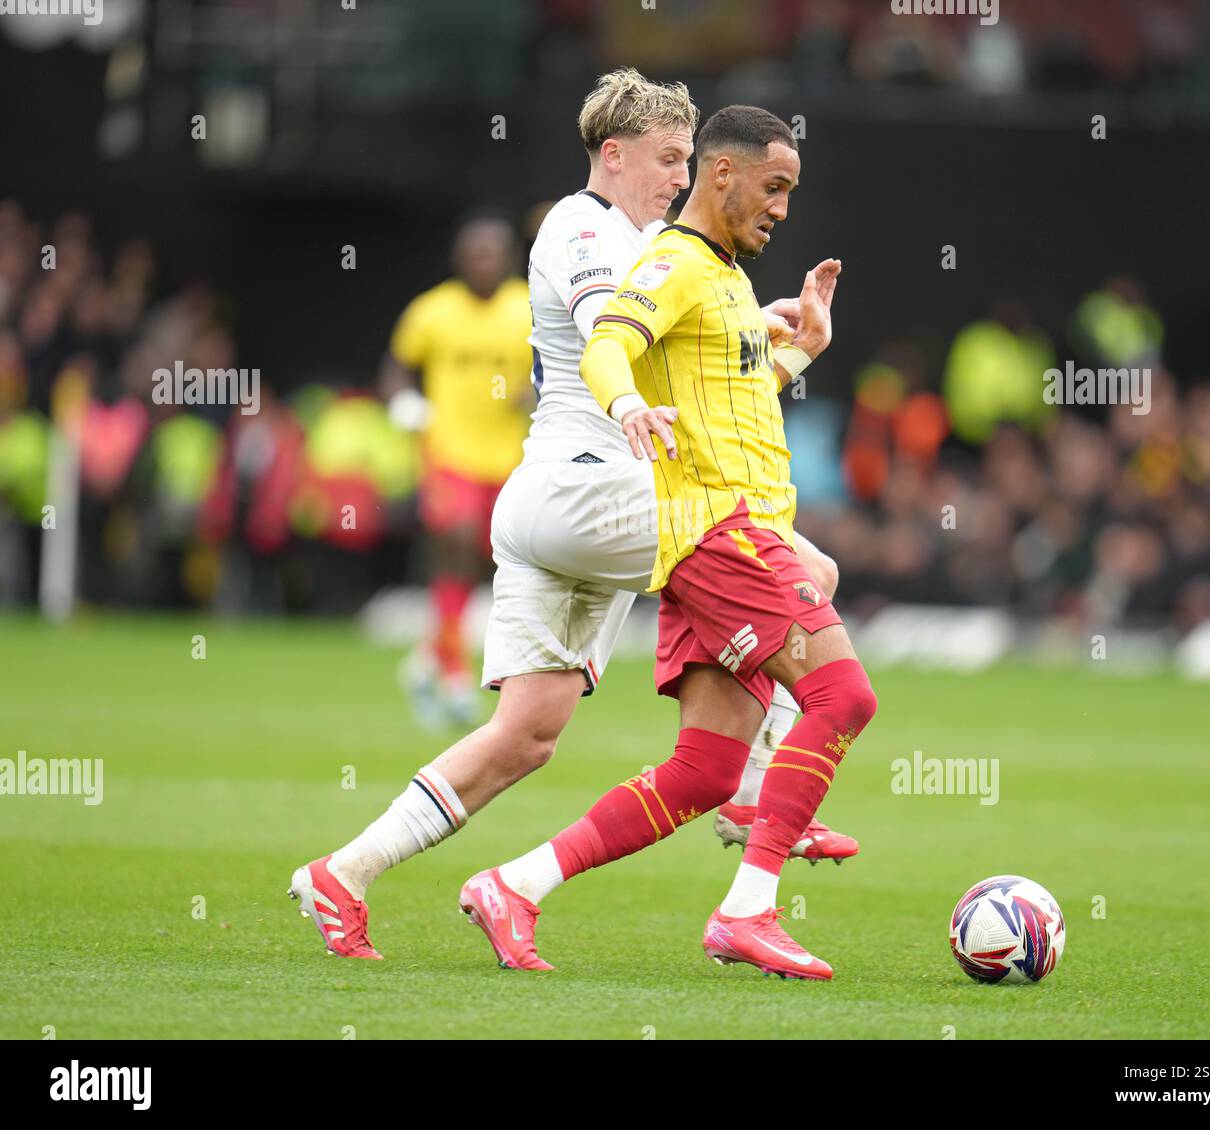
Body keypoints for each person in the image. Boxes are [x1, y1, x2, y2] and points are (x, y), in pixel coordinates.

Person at [290, 72, 853, 962]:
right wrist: (670, 369)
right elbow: (613, 331)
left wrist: (760, 344)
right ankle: (755, 798)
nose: (682, 175)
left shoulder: (672, 248)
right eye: (670, 158)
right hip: (590, 486)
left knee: (526, 736)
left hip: (577, 505)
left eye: (689, 159)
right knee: (802, 567)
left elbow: (711, 387)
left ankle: (344, 873)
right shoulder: (583, 227)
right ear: (614, 154)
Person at [463, 105, 876, 981]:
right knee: (842, 696)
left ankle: (514, 885)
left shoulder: (723, 278)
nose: (783, 209)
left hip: (721, 535)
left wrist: (803, 351)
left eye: (792, 193)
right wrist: (623, 405)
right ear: (720, 175)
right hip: (723, 535)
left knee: (705, 771)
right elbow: (608, 343)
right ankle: (748, 908)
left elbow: (740, 399)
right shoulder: (675, 263)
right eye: (774, 187)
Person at [382, 216, 534, 726]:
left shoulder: (526, 308)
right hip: (449, 452)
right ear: (460, 259)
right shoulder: (434, 311)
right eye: (476, 253)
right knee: (458, 539)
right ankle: (455, 671)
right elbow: (397, 365)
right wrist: (404, 400)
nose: (484, 262)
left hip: (508, 456)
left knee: (493, 560)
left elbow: (553, 364)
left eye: (493, 253)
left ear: (506, 257)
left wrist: (534, 390)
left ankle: (430, 655)